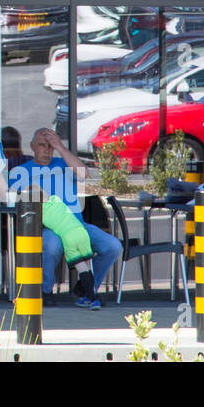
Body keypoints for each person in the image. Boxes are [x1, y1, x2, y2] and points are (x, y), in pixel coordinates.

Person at [8, 127, 121, 308]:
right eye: (41, 146)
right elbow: (11, 198)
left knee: (113, 246)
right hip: (48, 226)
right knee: (51, 245)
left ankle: (84, 290)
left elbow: (84, 174)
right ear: (32, 147)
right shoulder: (22, 171)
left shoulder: (63, 163)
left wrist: (60, 147)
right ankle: (45, 290)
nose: (47, 150)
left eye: (50, 146)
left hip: (76, 225)